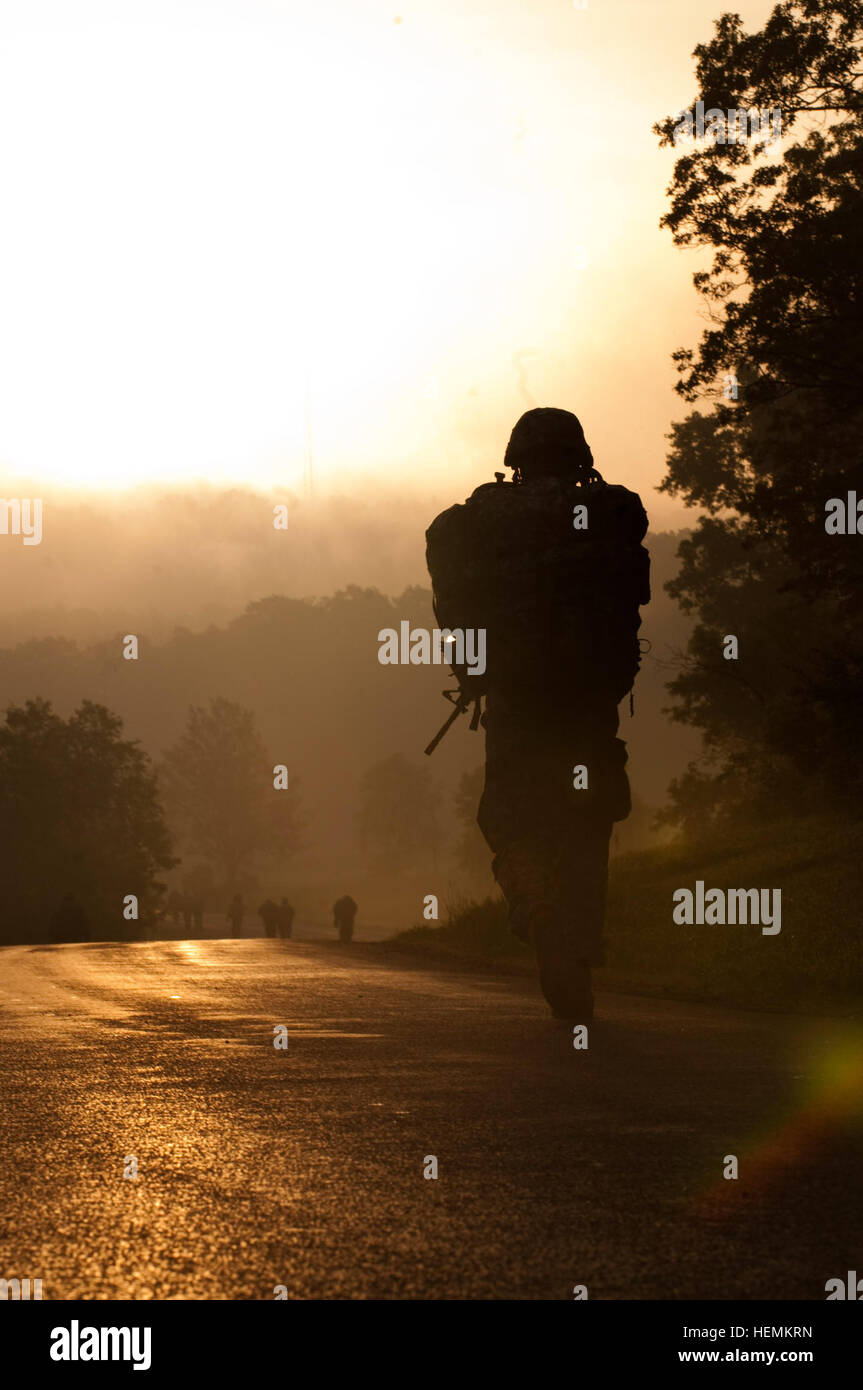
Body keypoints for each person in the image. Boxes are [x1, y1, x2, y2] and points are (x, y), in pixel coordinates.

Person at [425, 407, 650, 1021]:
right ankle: (578, 947)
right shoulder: (613, 510)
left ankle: (538, 911)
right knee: (589, 822)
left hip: (519, 702)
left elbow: (452, 585)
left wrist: (474, 667)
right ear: (578, 454)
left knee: (511, 821)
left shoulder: (479, 519)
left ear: (516, 456)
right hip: (590, 705)